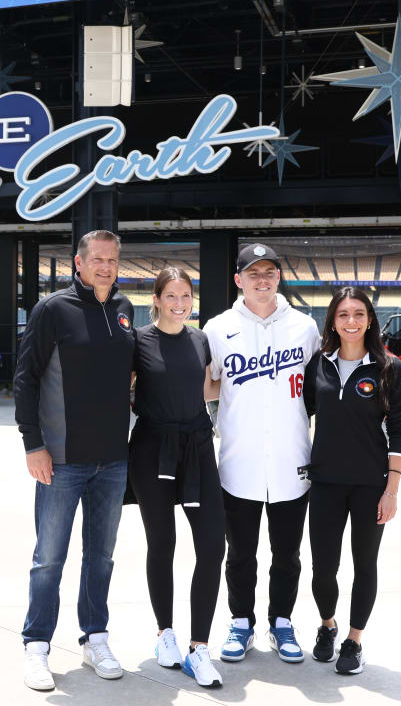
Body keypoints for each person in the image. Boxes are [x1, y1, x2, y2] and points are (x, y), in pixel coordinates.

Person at [14, 230, 137, 692]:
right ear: (78, 263)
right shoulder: (53, 310)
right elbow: (25, 380)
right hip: (61, 459)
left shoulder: (124, 311)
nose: (105, 267)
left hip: (112, 459)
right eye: (97, 259)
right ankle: (36, 645)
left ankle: (95, 639)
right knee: (49, 558)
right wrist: (33, 444)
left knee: (101, 558)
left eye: (112, 260)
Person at [203, 243, 322, 665]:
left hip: (292, 461)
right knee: (239, 554)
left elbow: (317, 390)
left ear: (278, 278)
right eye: (253, 273)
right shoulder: (217, 328)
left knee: (287, 553)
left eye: (269, 271)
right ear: (238, 280)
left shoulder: (305, 327)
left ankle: (282, 621)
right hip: (239, 463)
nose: (262, 279)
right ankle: (241, 621)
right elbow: (205, 385)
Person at [301, 287, 401, 676]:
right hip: (326, 482)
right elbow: (300, 415)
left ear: (369, 319)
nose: (351, 321)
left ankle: (353, 641)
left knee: (365, 565)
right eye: (343, 314)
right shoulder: (318, 365)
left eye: (358, 314)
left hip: (370, 484)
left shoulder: (389, 368)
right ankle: (328, 626)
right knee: (323, 568)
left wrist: (391, 489)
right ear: (332, 320)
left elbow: (399, 430)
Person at [126, 267, 225, 688]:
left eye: (186, 295)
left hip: (198, 447)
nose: (180, 302)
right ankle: (165, 633)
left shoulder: (201, 339)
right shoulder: (138, 341)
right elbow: (119, 390)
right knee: (162, 542)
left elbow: (205, 389)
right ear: (156, 298)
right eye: (171, 295)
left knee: (211, 545)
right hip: (152, 449)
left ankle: (199, 648)